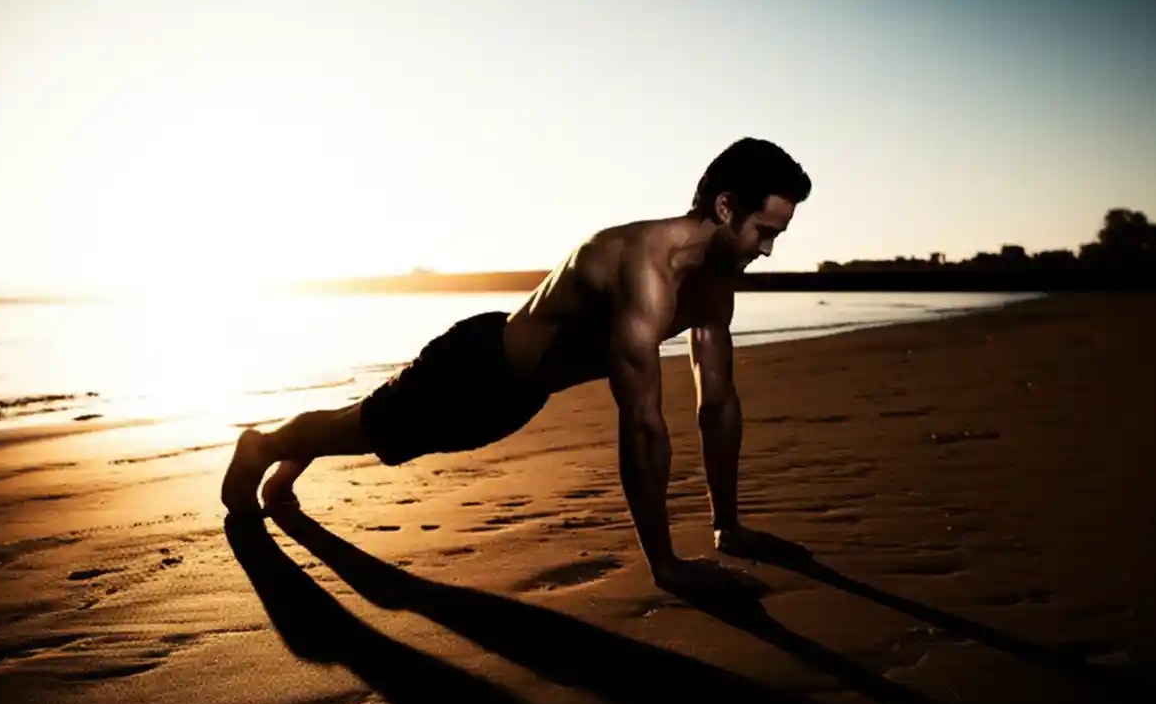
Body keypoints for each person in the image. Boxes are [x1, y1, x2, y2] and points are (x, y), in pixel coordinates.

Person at [223, 137, 813, 595]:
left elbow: (718, 406)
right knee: (364, 431)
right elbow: (641, 423)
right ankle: (262, 446)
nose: (767, 249)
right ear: (726, 206)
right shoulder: (641, 267)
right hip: (473, 372)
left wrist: (727, 525)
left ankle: (296, 452)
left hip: (518, 398)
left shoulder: (712, 288)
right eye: (764, 232)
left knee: (360, 428)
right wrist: (667, 566)